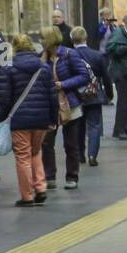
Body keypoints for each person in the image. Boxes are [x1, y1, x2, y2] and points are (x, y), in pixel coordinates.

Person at [0, 34, 55, 207]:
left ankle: (27, 195)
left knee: (22, 156)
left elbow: (4, 98)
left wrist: (1, 117)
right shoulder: (43, 67)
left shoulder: (9, 68)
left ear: (14, 47)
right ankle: (41, 188)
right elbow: (52, 96)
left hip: (20, 119)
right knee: (36, 152)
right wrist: (52, 118)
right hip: (41, 118)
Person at [39, 26, 90, 190]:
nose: (40, 41)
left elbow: (84, 76)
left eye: (42, 38)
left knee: (71, 143)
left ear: (51, 39)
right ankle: (49, 176)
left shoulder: (69, 54)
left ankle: (72, 176)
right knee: (46, 143)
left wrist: (63, 84)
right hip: (49, 105)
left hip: (70, 103)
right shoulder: (41, 58)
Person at [71, 27, 107, 167]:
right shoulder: (97, 55)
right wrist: (108, 93)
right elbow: (105, 76)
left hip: (76, 94)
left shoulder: (70, 55)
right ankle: (92, 155)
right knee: (94, 125)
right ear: (85, 38)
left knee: (79, 125)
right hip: (93, 93)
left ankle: (80, 154)